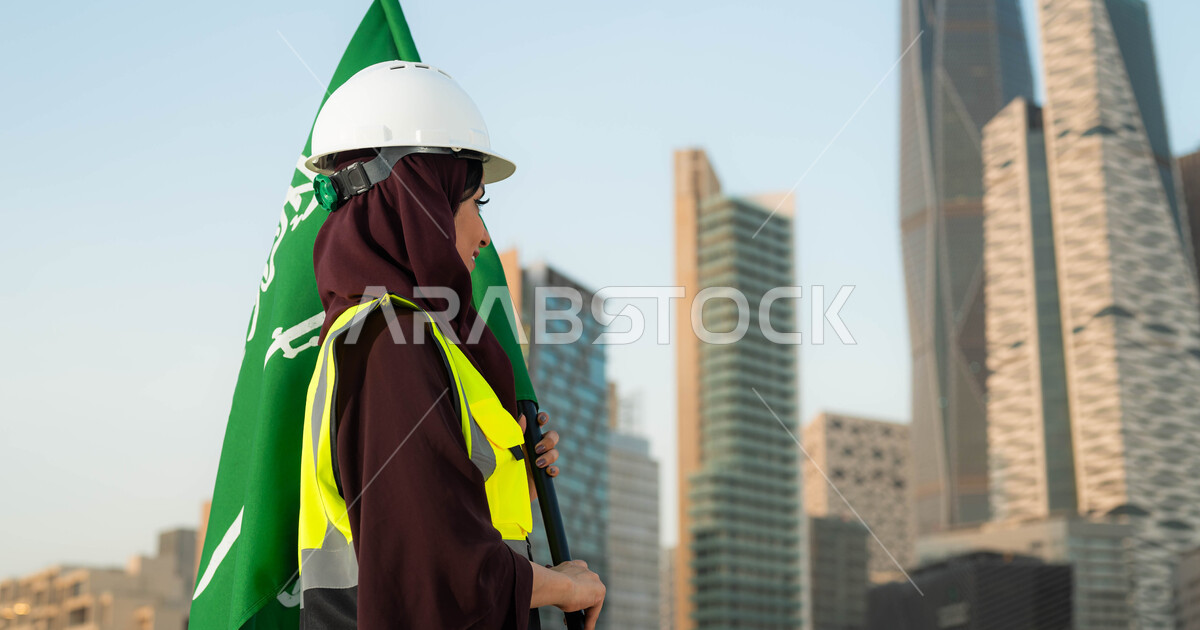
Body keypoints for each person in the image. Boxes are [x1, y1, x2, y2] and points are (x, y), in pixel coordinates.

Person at [296, 61, 605, 629]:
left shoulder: (386, 336)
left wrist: (511, 476)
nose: (484, 235)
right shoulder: (390, 343)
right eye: (475, 202)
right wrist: (567, 587)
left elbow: (429, 529)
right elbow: (437, 571)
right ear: (419, 201)